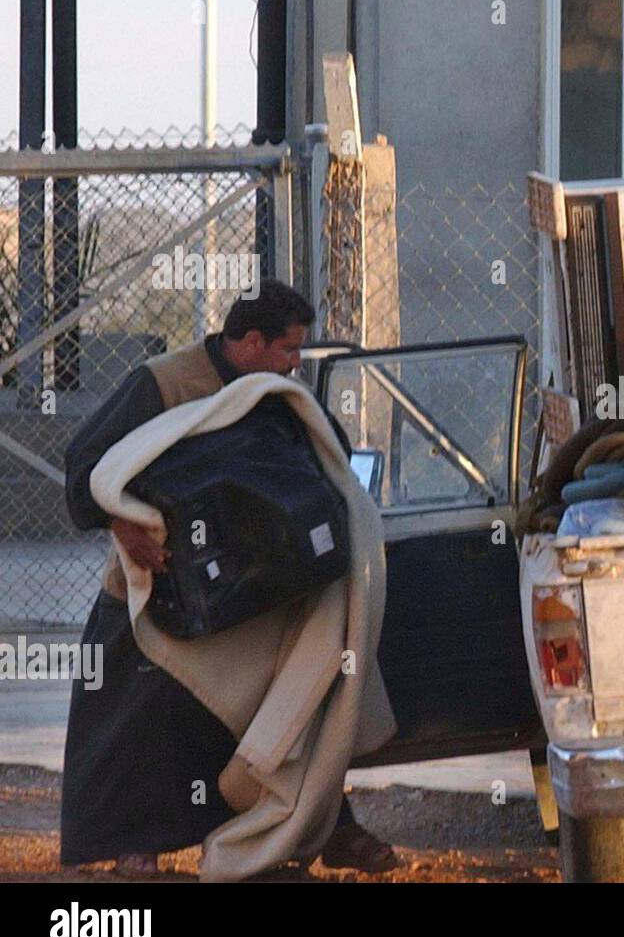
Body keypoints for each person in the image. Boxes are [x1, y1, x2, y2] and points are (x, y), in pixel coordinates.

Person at [61, 281, 400, 877]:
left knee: (294, 701)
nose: (296, 362)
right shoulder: (163, 382)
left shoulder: (277, 393)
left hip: (258, 595)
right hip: (162, 583)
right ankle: (136, 844)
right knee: (134, 710)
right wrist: (122, 523)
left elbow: (330, 458)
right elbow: (84, 465)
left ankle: (324, 830)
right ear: (250, 342)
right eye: (288, 349)